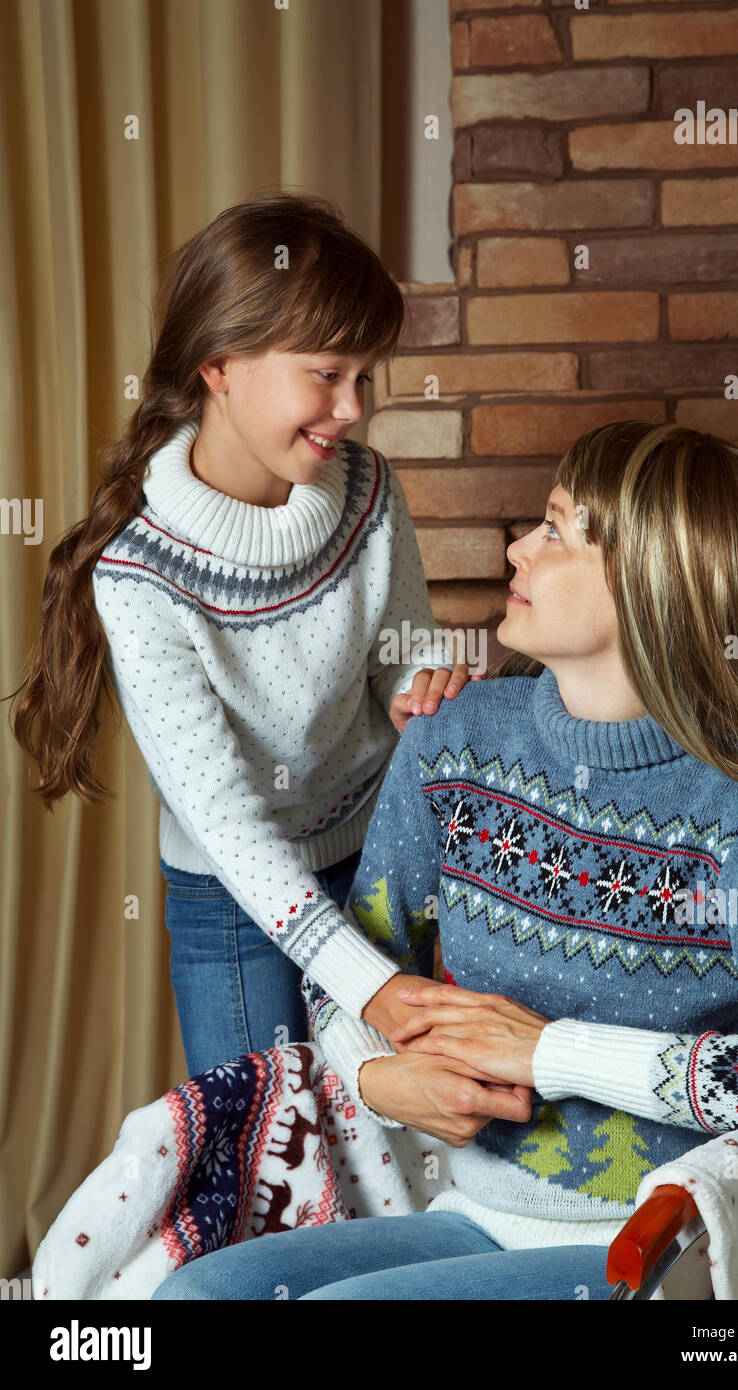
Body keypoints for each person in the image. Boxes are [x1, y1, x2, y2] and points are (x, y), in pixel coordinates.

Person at [150, 419, 738, 1300]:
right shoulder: (452, 743)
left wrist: (552, 1054)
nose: (519, 549)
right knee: (192, 1297)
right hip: (474, 1218)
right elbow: (354, 972)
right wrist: (378, 1077)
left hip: (649, 1254)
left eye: (558, 531)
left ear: (654, 584)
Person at [6, 190, 483, 1078]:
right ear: (220, 367)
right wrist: (361, 979)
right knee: (265, 1148)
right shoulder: (139, 574)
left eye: (363, 379)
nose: (351, 409)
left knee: (394, 1151)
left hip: (379, 860)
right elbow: (225, 821)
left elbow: (398, 655)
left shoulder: (371, 491)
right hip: (232, 899)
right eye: (326, 374)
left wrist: (425, 690)